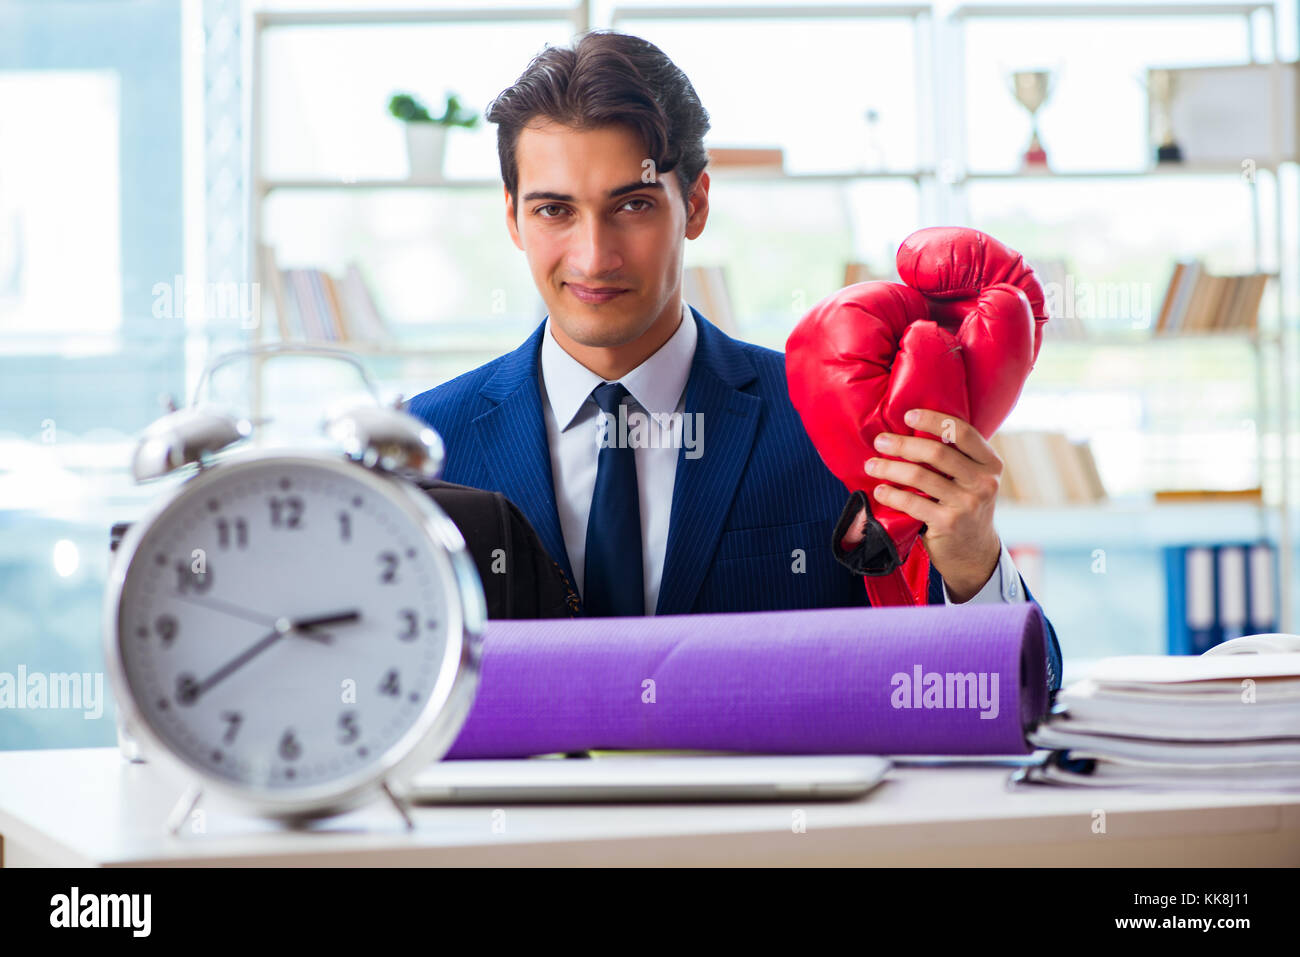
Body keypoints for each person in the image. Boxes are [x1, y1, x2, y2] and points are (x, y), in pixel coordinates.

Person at [405, 30, 1062, 691]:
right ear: (514, 219)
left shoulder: (837, 420)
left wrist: (972, 563)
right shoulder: (423, 449)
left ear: (694, 204)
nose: (592, 256)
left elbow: (1022, 696)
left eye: (631, 205)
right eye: (555, 210)